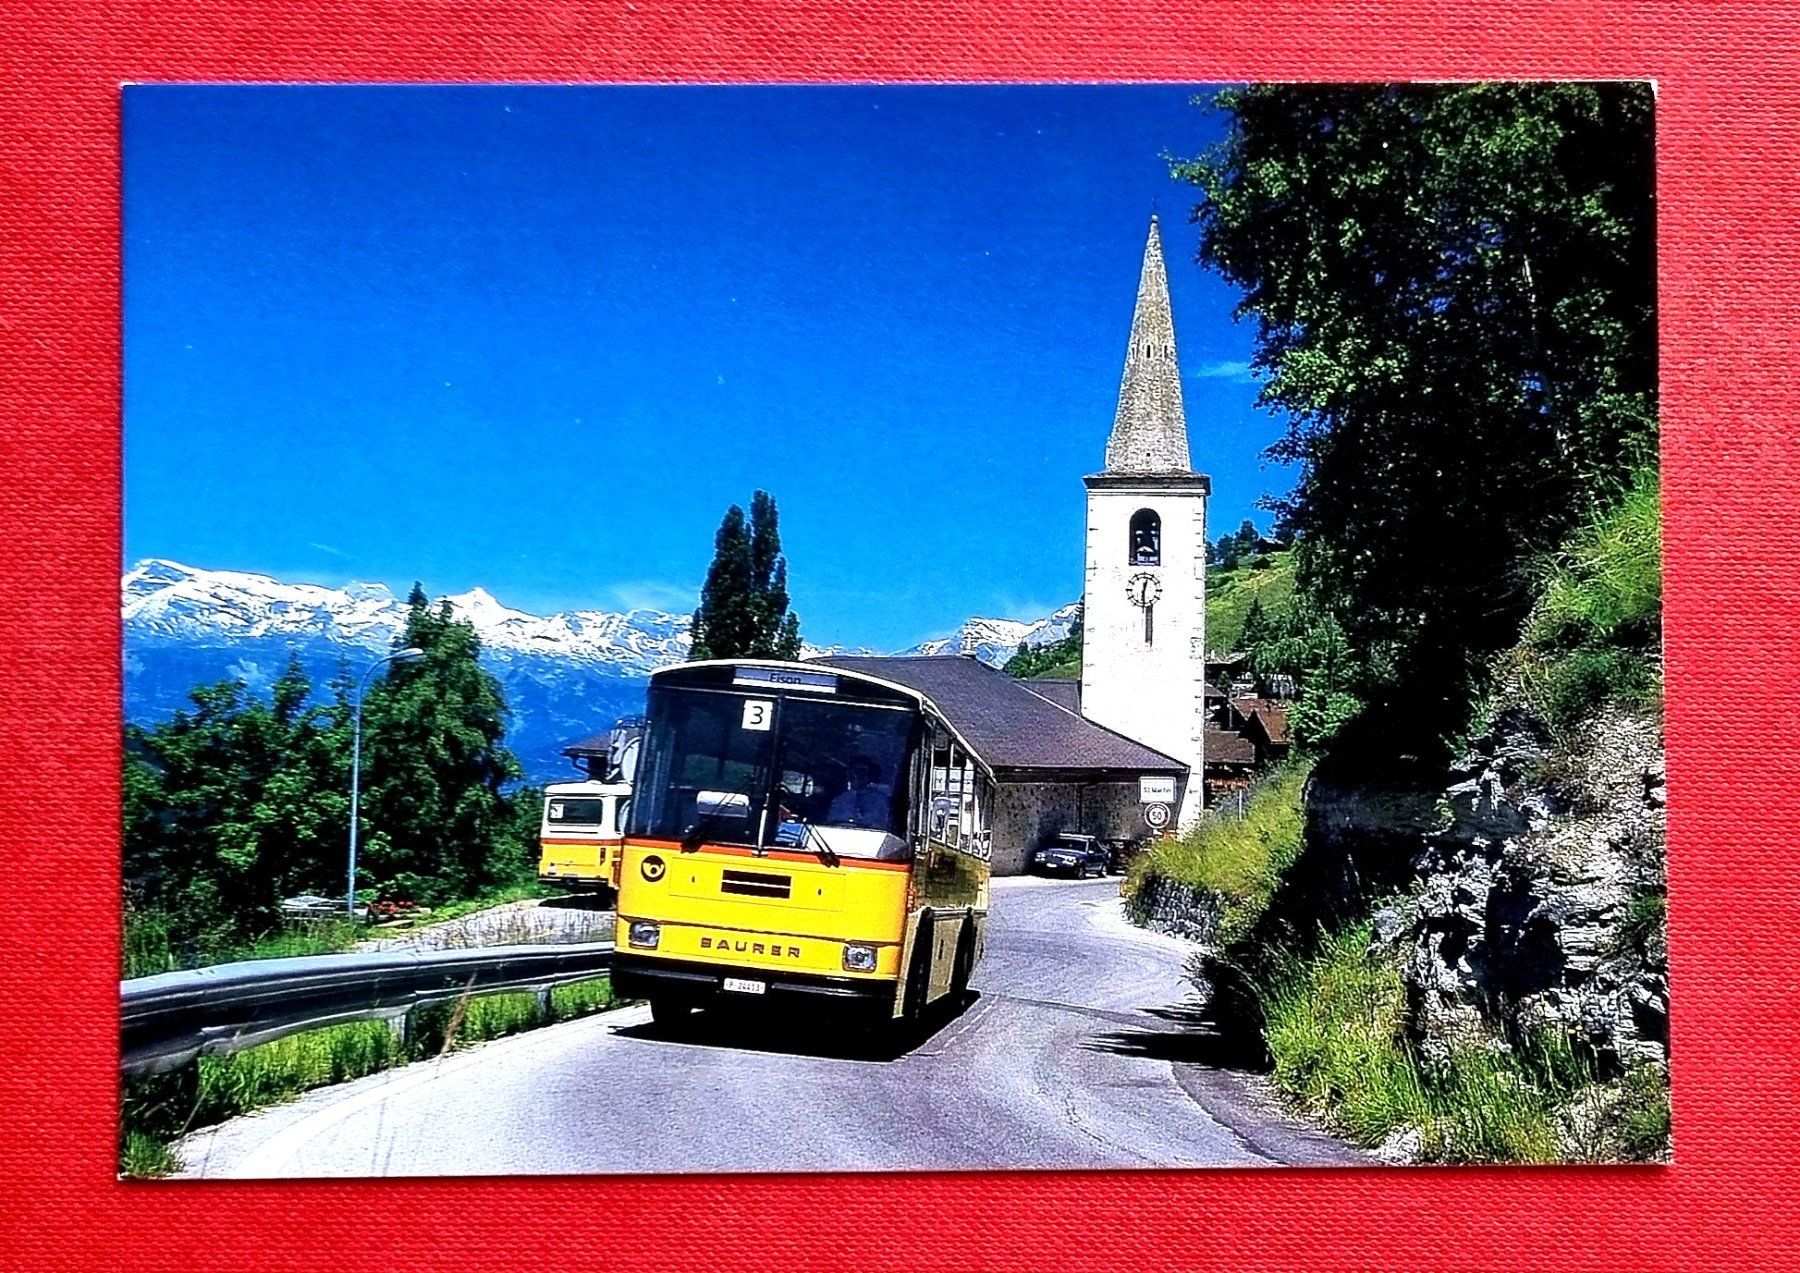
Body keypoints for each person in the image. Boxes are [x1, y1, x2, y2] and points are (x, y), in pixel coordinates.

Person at [827, 755, 890, 827]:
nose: (856, 776)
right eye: (852, 772)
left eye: (861, 772)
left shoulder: (881, 801)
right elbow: (831, 825)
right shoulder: (839, 801)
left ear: (869, 775)